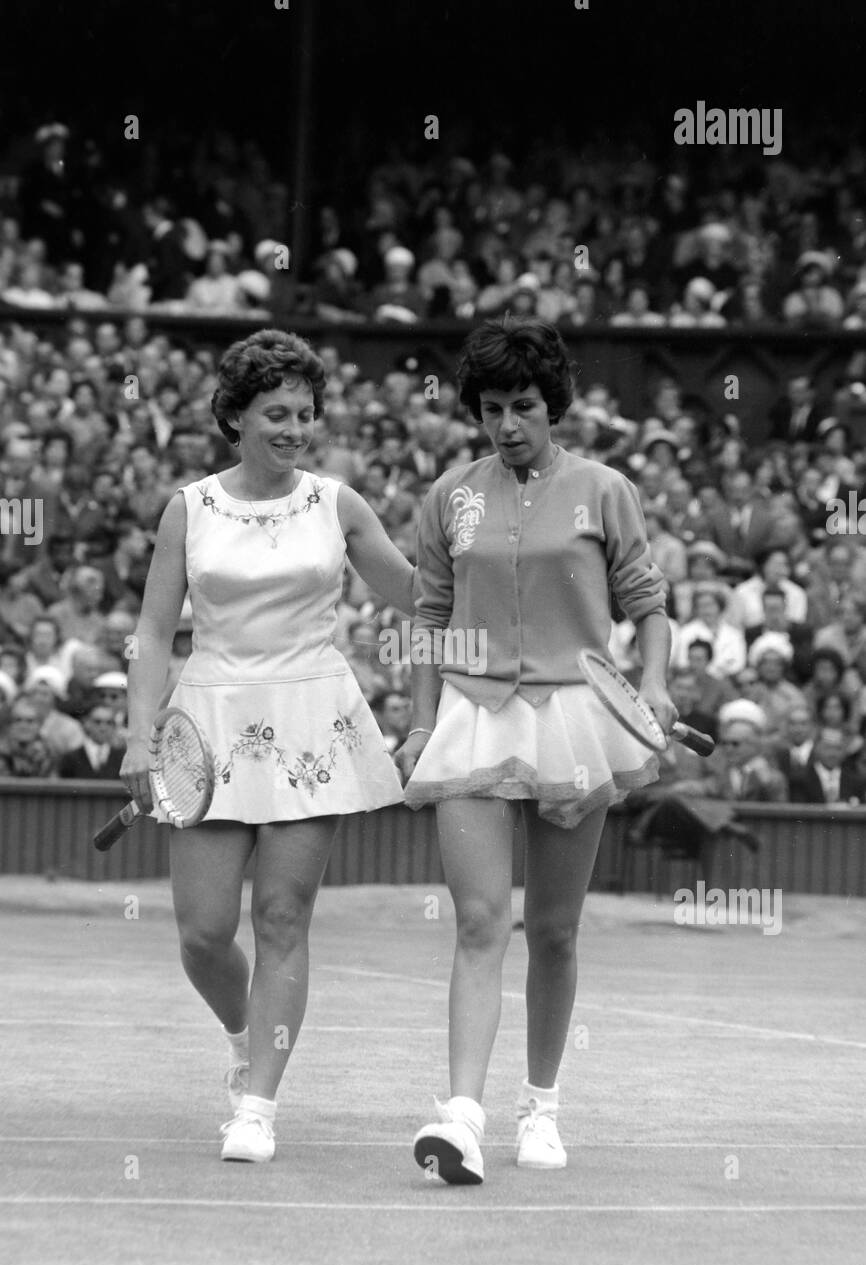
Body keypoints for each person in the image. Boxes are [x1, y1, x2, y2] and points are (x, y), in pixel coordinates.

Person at [121, 329, 415, 1164]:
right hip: (206, 727)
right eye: (275, 413)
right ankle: (246, 1038)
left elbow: (414, 594)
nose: (293, 428)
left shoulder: (338, 503)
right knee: (204, 934)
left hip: (314, 723)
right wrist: (139, 738)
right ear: (236, 417)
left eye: (305, 413)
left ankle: (257, 1105)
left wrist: (502, 558)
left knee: (283, 917)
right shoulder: (190, 507)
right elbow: (150, 634)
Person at [397, 318, 675, 1184]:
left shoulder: (605, 489)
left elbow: (648, 602)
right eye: (490, 409)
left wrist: (655, 683)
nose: (507, 423)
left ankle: (541, 1111)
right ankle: (464, 1118)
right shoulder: (449, 496)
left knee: (552, 930)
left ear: (552, 406)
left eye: (522, 406)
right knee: (480, 923)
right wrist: (416, 722)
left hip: (574, 721)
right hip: (473, 714)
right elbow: (427, 621)